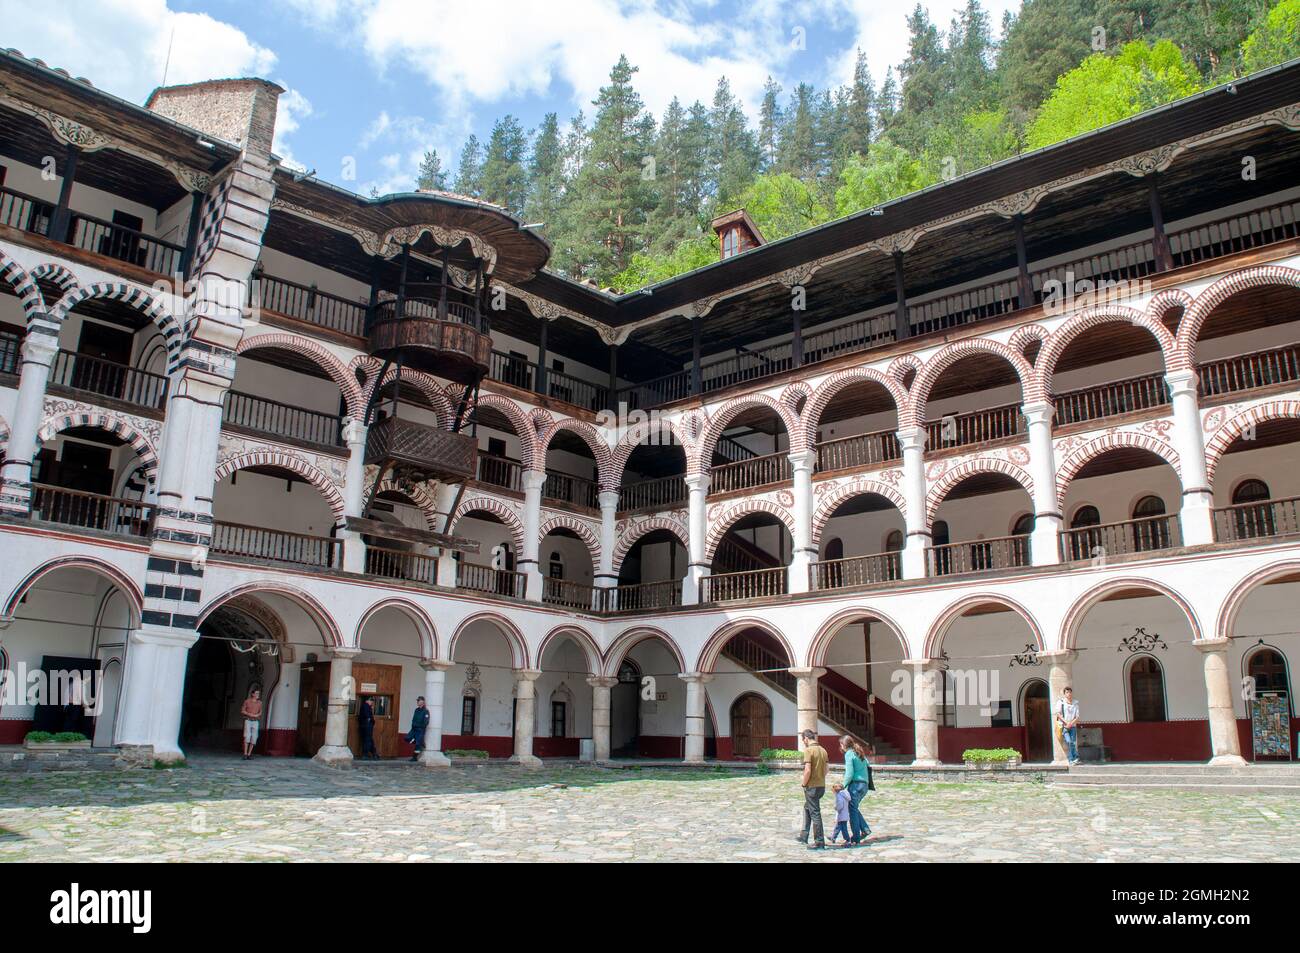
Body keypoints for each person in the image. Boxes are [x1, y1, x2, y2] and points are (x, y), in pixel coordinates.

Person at [796, 728, 828, 850]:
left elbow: (807, 770)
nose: (803, 742)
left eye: (803, 739)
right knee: (807, 808)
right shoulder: (823, 750)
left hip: (812, 787)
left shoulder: (809, 751)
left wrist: (804, 783)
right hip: (821, 785)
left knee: (815, 813)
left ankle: (819, 841)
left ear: (806, 738)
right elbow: (826, 770)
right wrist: (820, 778)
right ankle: (804, 835)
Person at [839, 734, 872, 843]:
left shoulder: (849, 754)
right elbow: (867, 764)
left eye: (841, 744)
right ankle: (865, 829)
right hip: (864, 785)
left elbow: (849, 773)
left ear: (844, 744)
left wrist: (842, 785)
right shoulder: (859, 752)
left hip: (855, 785)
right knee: (854, 808)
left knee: (851, 811)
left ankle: (856, 837)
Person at [1056, 686, 1081, 765]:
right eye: (1067, 692)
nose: (1069, 694)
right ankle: (1073, 758)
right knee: (1069, 741)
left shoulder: (1075, 703)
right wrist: (1066, 723)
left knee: (1073, 742)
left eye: (1070, 692)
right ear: (1064, 694)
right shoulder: (1061, 702)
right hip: (1064, 726)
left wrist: (1071, 723)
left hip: (1072, 726)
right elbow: (1058, 714)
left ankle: (1073, 759)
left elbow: (1077, 716)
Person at [239, 689, 262, 761]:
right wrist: (250, 714)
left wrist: (257, 715)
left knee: (254, 737)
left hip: (255, 721)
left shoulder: (260, 703)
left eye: (258, 693)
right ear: (253, 694)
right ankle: (245, 754)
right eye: (256, 693)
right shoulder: (247, 701)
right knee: (247, 736)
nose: (258, 695)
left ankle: (249, 754)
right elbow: (242, 710)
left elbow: (260, 712)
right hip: (248, 720)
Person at [406, 696, 430, 762]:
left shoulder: (426, 711)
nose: (417, 702)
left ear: (423, 702)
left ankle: (414, 757)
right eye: (417, 700)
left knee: (417, 745)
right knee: (407, 738)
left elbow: (426, 722)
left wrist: (421, 727)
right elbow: (413, 719)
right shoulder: (416, 710)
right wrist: (413, 725)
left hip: (420, 730)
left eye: (418, 700)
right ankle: (421, 742)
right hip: (413, 729)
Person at [358, 696, 378, 760]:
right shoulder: (366, 706)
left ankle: (374, 753)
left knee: (369, 740)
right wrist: (371, 721)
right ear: (367, 700)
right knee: (367, 740)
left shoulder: (365, 706)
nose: (372, 702)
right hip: (367, 726)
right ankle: (365, 754)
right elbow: (368, 716)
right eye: (371, 701)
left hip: (365, 726)